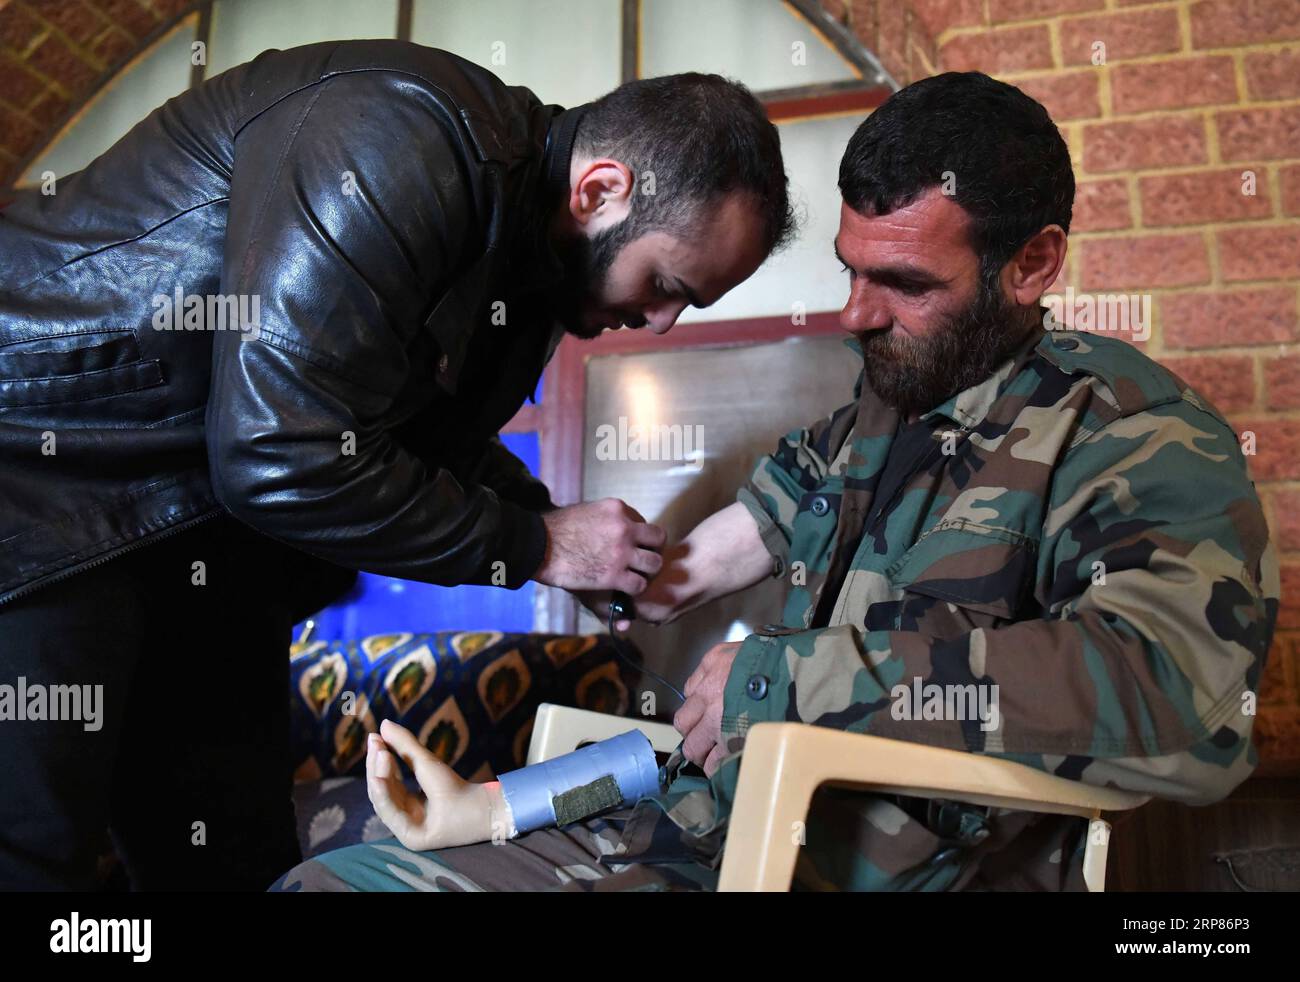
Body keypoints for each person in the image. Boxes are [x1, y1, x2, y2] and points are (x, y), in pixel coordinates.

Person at [275, 71, 1278, 892]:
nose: (855, 314)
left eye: (905, 283)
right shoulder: (869, 420)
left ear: (1034, 263)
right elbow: (701, 581)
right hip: (688, 839)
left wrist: (808, 676)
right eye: (849, 268)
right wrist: (502, 791)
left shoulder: (1131, 434)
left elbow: (1181, 697)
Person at [0, 39, 795, 890]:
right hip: (45, 483)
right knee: (33, 849)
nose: (665, 321)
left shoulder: (534, 269)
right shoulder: (397, 138)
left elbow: (414, 431)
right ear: (600, 190)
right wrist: (540, 545)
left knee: (232, 855)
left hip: (207, 540)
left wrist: (558, 535)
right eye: (667, 282)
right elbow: (281, 450)